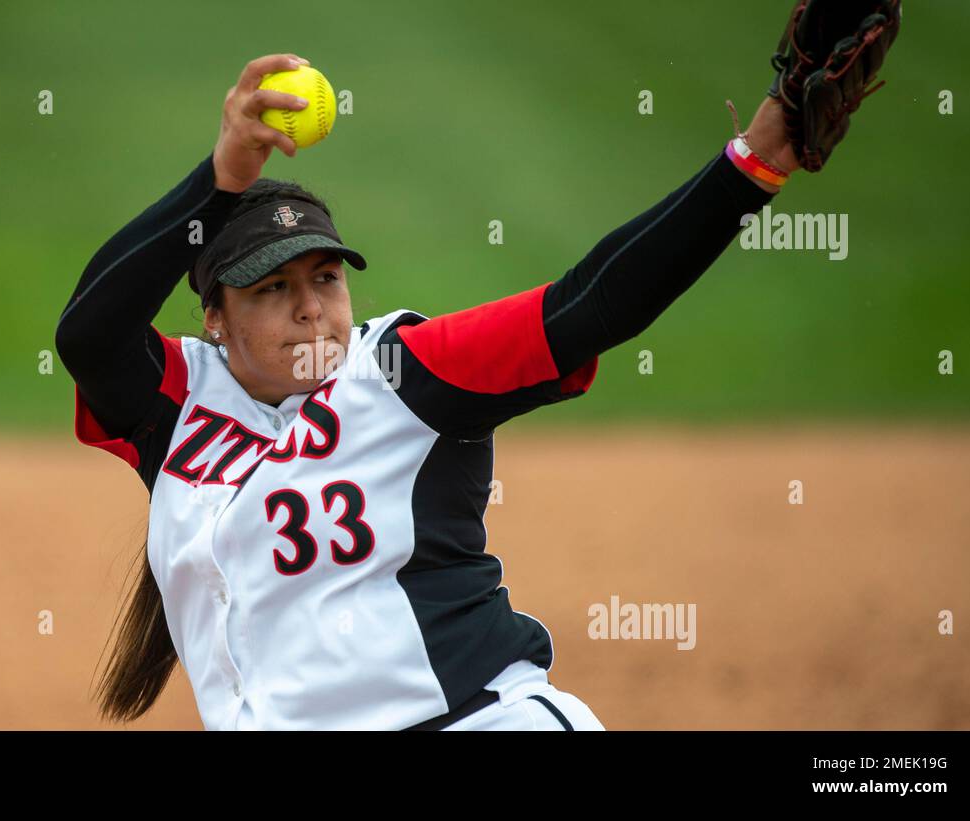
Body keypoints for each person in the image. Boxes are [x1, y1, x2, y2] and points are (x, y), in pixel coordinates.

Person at [55, 52, 800, 731]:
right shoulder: (181, 406)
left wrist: (752, 165)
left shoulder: (401, 373)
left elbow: (591, 304)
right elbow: (88, 334)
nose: (310, 306)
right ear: (215, 318)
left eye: (325, 276)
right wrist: (219, 180)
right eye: (272, 287)